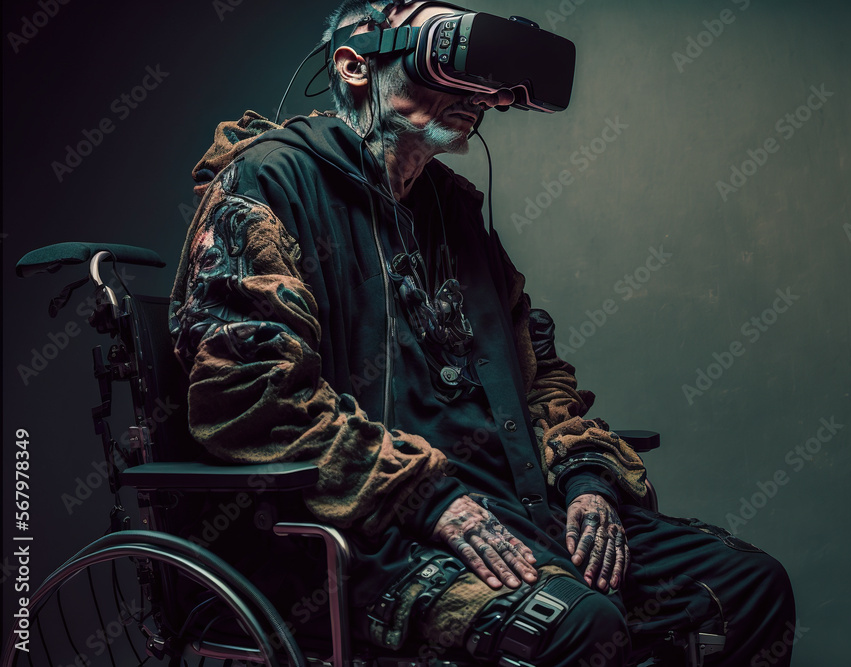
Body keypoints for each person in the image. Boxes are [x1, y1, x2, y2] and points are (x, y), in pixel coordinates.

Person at [169, 1, 796, 664]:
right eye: (449, 63)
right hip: (369, 535)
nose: (478, 97)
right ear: (355, 66)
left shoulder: (453, 212)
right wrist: (424, 495)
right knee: (583, 626)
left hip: (517, 508)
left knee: (749, 585)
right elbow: (251, 396)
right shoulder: (268, 182)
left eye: (483, 81)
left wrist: (586, 476)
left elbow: (538, 376)